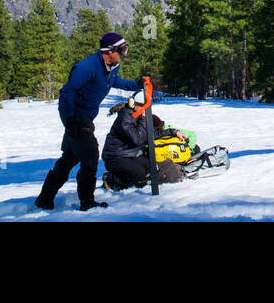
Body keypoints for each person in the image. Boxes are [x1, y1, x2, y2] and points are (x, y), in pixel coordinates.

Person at [35, 33, 146, 211]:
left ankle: (44, 198)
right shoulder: (86, 68)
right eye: (122, 50)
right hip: (77, 118)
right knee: (90, 157)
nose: (124, 54)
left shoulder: (111, 66)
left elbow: (113, 81)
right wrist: (70, 120)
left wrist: (135, 84)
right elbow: (66, 93)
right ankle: (87, 202)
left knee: (69, 158)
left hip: (86, 118)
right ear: (109, 51)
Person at [102, 91, 185, 189]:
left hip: (131, 154)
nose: (145, 109)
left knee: (152, 167)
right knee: (138, 175)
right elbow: (137, 139)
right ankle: (111, 179)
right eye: (142, 106)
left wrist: (173, 132)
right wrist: (143, 119)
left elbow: (150, 134)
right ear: (133, 103)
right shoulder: (125, 118)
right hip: (116, 156)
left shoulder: (137, 115)